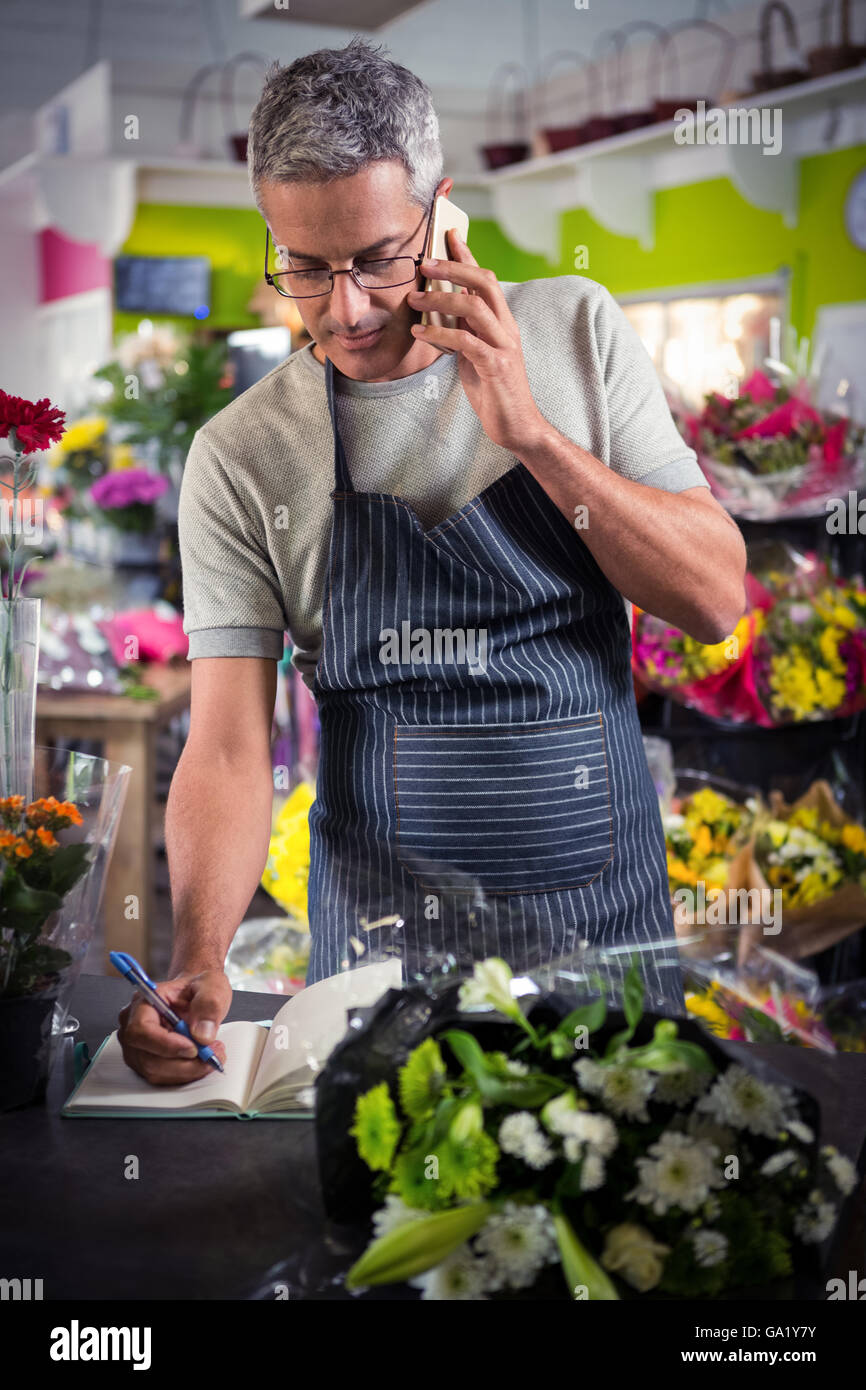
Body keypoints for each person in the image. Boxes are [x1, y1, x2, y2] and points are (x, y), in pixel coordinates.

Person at [118, 38, 746, 1084]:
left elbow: (713, 596)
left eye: (374, 257)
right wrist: (199, 956)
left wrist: (532, 432)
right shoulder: (241, 450)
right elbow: (229, 744)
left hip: (601, 938)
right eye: (306, 268)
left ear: (439, 213)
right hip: (376, 964)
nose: (345, 308)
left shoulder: (574, 333)